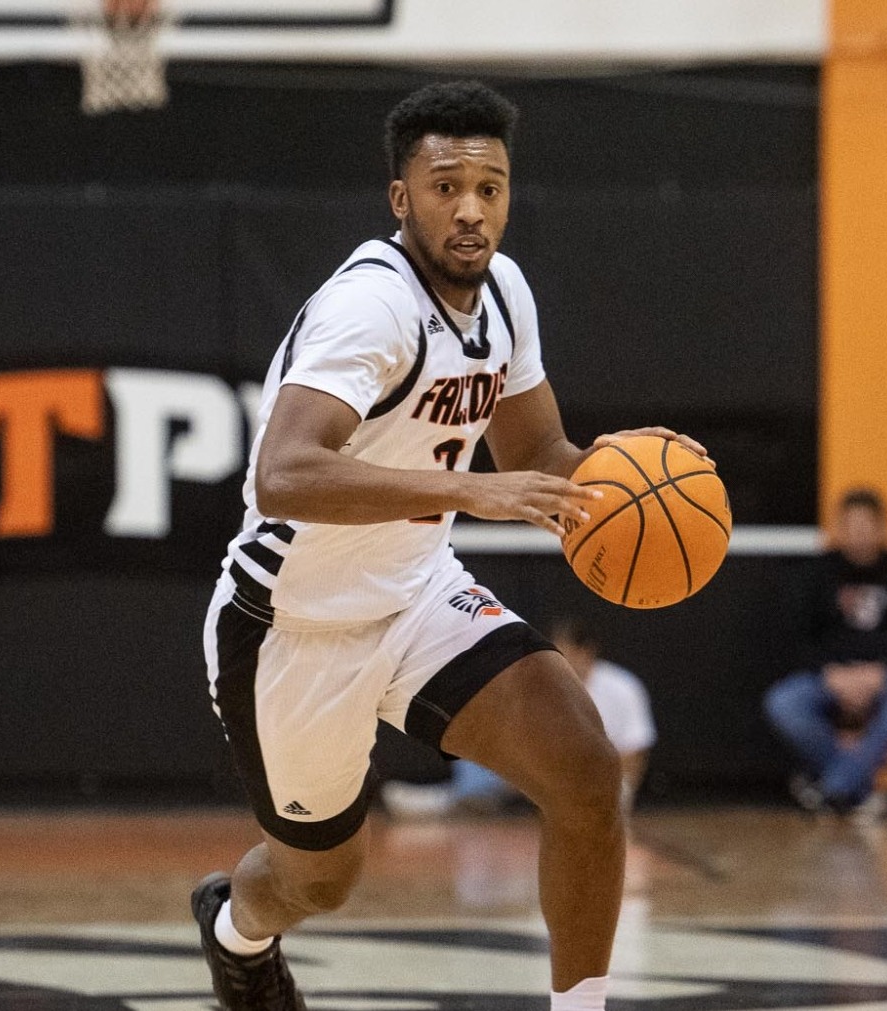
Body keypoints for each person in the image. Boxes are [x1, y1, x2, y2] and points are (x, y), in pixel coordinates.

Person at [193, 80, 709, 1011]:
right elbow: (285, 474)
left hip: (418, 590)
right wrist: (473, 489)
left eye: (491, 186)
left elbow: (541, 457)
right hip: (293, 625)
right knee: (320, 880)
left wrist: (645, 473)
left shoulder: (505, 294)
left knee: (586, 769)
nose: (471, 209)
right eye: (445, 187)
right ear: (402, 199)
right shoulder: (371, 309)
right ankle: (236, 925)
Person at [762, 487, 887, 818]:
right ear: (838, 529)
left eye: (866, 525)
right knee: (783, 702)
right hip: (829, 677)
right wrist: (833, 674)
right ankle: (857, 784)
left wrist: (880, 672)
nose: (858, 534)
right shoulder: (815, 574)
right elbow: (797, 637)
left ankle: (834, 789)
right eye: (850, 525)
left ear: (883, 528)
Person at [386, 617, 658, 815]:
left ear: (586, 651)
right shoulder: (549, 683)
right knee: (480, 763)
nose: (561, 656)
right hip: (544, 778)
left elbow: (636, 748)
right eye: (557, 648)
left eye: (566, 649)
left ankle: (451, 801)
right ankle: (449, 800)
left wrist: (624, 791)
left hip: (599, 780)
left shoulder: (622, 686)